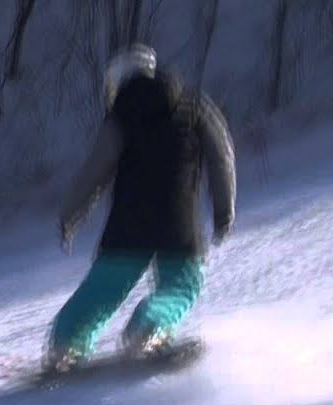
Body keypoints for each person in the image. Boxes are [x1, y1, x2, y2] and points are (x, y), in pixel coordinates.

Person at [46, 43, 237, 372]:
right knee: (179, 286)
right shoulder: (196, 107)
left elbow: (94, 171)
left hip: (127, 226)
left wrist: (69, 215)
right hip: (178, 221)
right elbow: (222, 158)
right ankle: (148, 327)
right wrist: (223, 211)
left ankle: (66, 342)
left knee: (101, 291)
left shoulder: (120, 118)